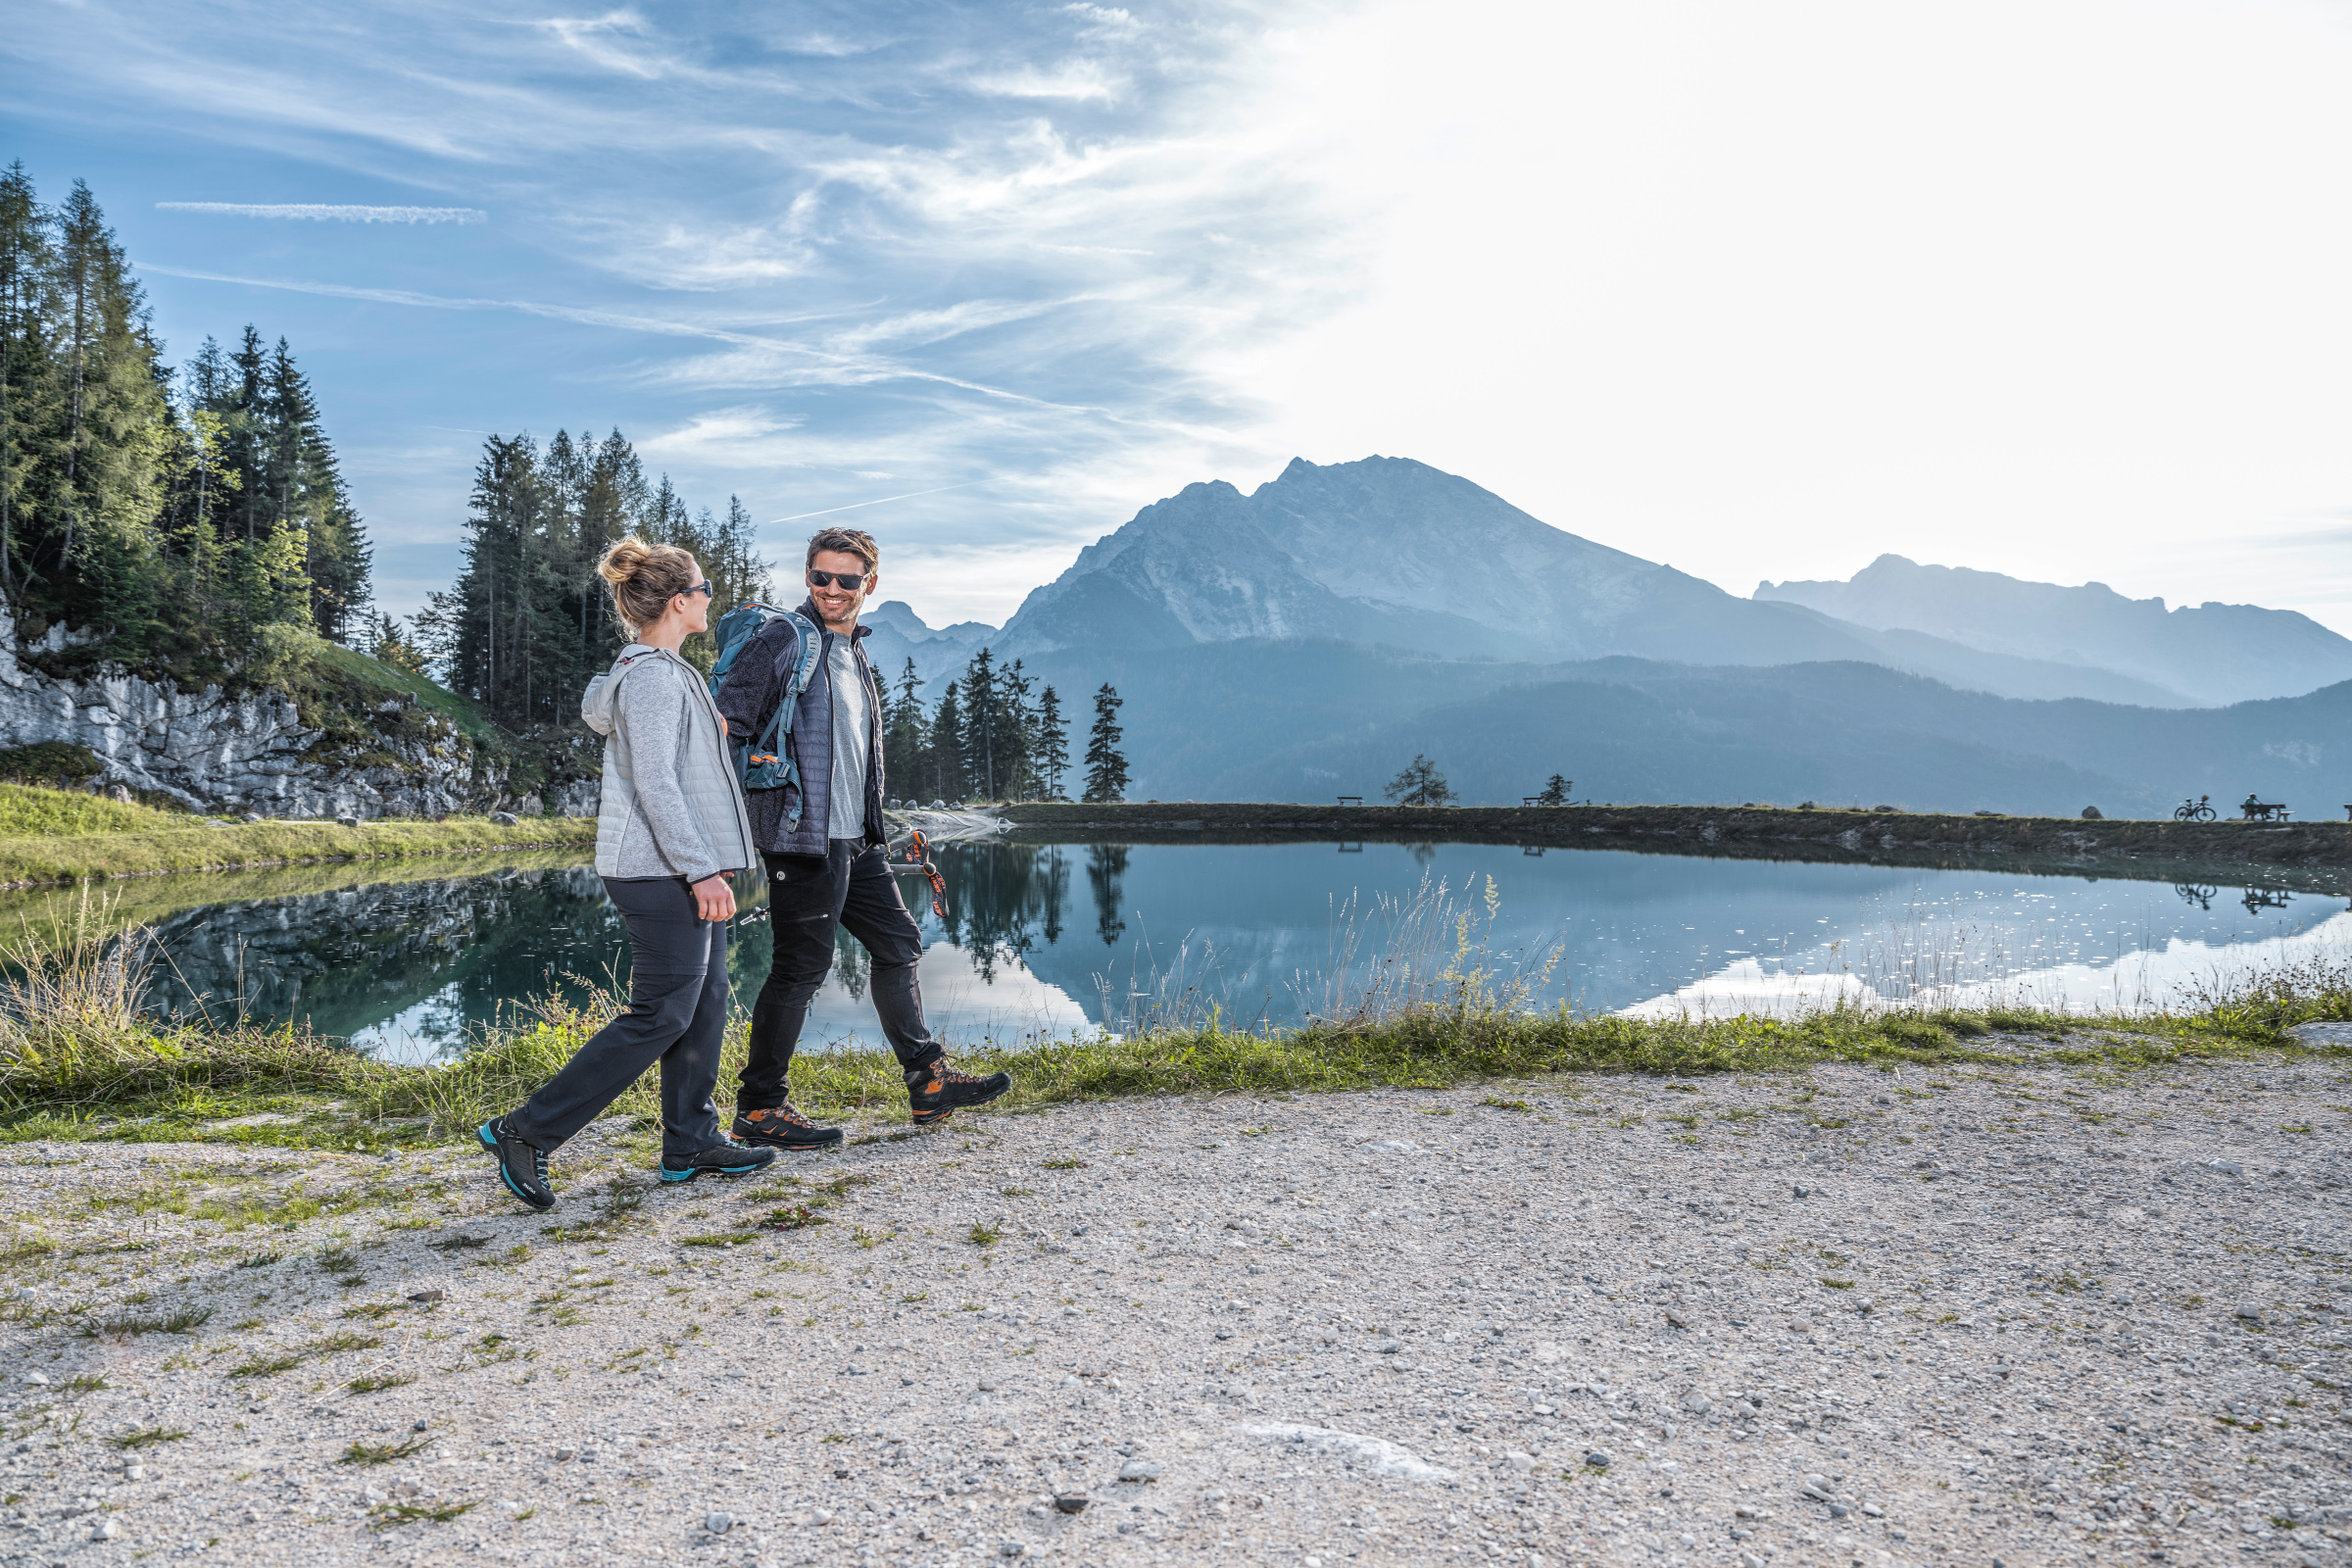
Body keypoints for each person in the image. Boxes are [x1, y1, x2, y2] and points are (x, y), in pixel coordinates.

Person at [477, 537, 777, 1209]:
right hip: (658, 870)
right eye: (701, 590)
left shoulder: (669, 672)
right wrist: (701, 871)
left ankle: (690, 1143)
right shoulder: (649, 677)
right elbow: (658, 788)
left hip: (682, 865)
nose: (708, 599)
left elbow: (679, 771)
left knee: (703, 1005)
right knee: (661, 1014)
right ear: (678, 602)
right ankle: (524, 1132)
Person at [713, 526, 1010, 1149]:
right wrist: (752, 781)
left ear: (868, 585)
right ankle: (760, 1108)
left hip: (857, 838)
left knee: (899, 943)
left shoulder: (855, 652)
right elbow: (726, 720)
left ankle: (928, 1081)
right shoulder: (782, 639)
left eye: (847, 580)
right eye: (820, 577)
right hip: (803, 837)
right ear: (807, 578)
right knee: (800, 968)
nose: (832, 589)